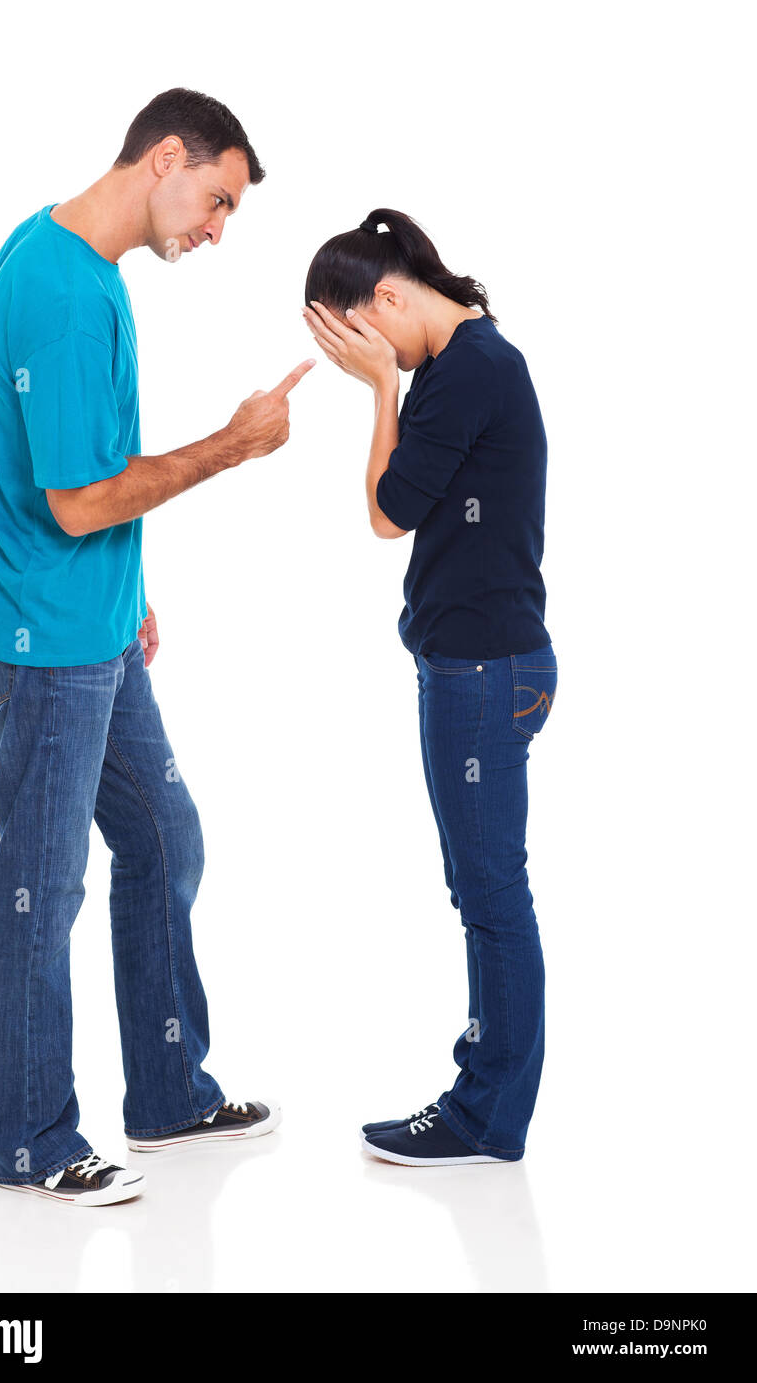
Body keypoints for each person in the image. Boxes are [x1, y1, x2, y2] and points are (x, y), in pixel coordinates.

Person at [0, 87, 314, 1206]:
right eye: (217, 199)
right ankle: (34, 1143)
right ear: (162, 157)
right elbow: (77, 502)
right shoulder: (57, 290)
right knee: (39, 890)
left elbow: (90, 473)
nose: (215, 227)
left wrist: (132, 587)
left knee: (161, 834)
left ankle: (166, 1090)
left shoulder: (80, 266)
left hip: (91, 619)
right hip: (43, 635)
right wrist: (235, 447)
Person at [302, 209, 557, 1167]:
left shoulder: (467, 371)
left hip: (484, 674)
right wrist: (386, 379)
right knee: (483, 889)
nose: (364, 357)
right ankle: (487, 1106)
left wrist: (377, 391)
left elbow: (385, 513)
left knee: (491, 895)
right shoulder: (465, 368)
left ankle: (486, 1114)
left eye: (355, 335)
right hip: (484, 666)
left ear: (389, 300)